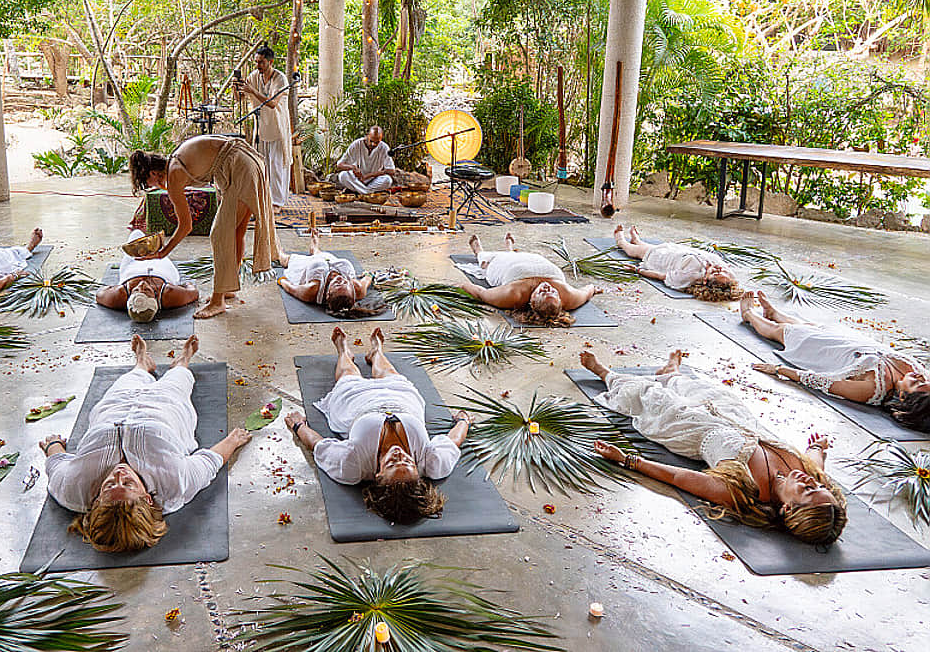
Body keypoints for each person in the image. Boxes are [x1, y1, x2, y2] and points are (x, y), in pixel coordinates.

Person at [581, 348, 847, 545]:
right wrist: (819, 448)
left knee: (649, 397)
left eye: (809, 491)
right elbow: (817, 465)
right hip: (736, 416)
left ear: (788, 508)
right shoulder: (810, 474)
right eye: (820, 486)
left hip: (689, 428)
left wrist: (626, 459)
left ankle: (604, 372)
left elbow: (678, 476)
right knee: (699, 388)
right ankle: (671, 373)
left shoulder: (742, 490)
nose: (812, 482)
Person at [41, 334, 251, 553]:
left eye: (110, 486)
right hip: (165, 406)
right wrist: (233, 440)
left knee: (130, 379)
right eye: (128, 485)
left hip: (114, 407)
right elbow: (209, 461)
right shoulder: (174, 484)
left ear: (95, 502)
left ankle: (142, 364)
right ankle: (182, 361)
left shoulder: (71, 488)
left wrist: (52, 445)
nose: (119, 475)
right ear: (148, 499)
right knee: (179, 378)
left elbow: (55, 464)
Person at [284, 328, 471, 524]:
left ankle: (343, 351)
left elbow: (319, 444)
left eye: (392, 463)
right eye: (408, 463)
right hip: (402, 400)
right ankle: (377, 352)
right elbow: (454, 440)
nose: (399, 455)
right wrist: (463, 420)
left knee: (348, 375)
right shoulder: (433, 462)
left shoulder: (353, 465)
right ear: (418, 470)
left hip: (354, 403)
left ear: (378, 475)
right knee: (390, 373)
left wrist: (298, 426)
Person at [130, 136, 284, 319]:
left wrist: (163, 252)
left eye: (148, 184)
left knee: (219, 235)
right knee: (236, 231)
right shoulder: (175, 161)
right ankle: (228, 288)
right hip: (248, 161)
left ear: (153, 174)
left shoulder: (174, 173)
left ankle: (218, 302)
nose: (151, 187)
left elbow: (185, 226)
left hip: (241, 166)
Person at [739, 291, 930, 431]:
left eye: (917, 383)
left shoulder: (872, 389)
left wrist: (779, 370)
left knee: (782, 332)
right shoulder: (917, 373)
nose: (920, 377)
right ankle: (775, 314)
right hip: (847, 341)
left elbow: (824, 383)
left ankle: (749, 315)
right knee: (811, 326)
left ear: (903, 396)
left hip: (825, 352)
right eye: (925, 380)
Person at [459, 232, 600, 325]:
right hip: (534, 259)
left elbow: (481, 293)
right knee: (515, 255)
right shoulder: (569, 296)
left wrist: (458, 286)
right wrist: (594, 289)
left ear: (532, 300)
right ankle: (509, 248)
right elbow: (587, 290)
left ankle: (479, 252)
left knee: (487, 263)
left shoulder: (513, 295)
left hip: (505, 267)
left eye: (542, 293)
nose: (547, 287)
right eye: (553, 292)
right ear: (560, 300)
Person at [613, 224, 742, 301]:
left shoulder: (690, 276)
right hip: (675, 251)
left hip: (660, 259)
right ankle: (638, 241)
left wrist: (637, 270)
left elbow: (661, 276)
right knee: (650, 246)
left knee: (634, 251)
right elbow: (730, 275)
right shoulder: (724, 273)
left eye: (715, 273)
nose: (719, 269)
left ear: (705, 281)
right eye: (722, 271)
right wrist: (723, 271)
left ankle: (621, 241)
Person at [95, 229, 200, 321]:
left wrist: (113, 288)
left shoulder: (119, 296)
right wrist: (186, 284)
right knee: (157, 246)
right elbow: (193, 292)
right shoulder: (169, 295)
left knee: (136, 234)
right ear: (155, 298)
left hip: (132, 266)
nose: (141, 284)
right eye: (147, 290)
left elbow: (99, 294)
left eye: (135, 290)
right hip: (160, 269)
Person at [278, 228, 385, 318]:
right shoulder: (358, 289)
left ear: (328, 293)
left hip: (306, 267)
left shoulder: (311, 291)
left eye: (337, 285)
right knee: (321, 256)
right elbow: (368, 277)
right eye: (345, 283)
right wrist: (370, 275)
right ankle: (315, 249)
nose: (340, 280)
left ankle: (272, 236)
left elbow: (291, 288)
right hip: (329, 260)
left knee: (283, 258)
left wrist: (281, 281)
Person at [234, 45, 292, 207]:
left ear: (270, 62)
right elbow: (239, 99)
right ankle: (264, 199)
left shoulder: (280, 79)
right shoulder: (255, 76)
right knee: (262, 165)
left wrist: (252, 90)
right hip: (261, 128)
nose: (258, 65)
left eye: (261, 62)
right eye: (256, 62)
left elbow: (272, 103)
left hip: (277, 127)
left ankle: (277, 203)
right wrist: (236, 87)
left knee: (276, 165)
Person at [336, 126, 397, 194]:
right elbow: (339, 165)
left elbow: (391, 171)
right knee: (342, 175)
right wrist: (353, 167)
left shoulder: (384, 147)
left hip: (374, 180)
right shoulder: (356, 144)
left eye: (377, 142)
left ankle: (359, 191)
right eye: (371, 141)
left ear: (381, 139)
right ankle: (367, 193)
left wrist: (369, 175)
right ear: (367, 135)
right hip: (357, 180)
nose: (373, 144)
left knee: (387, 180)